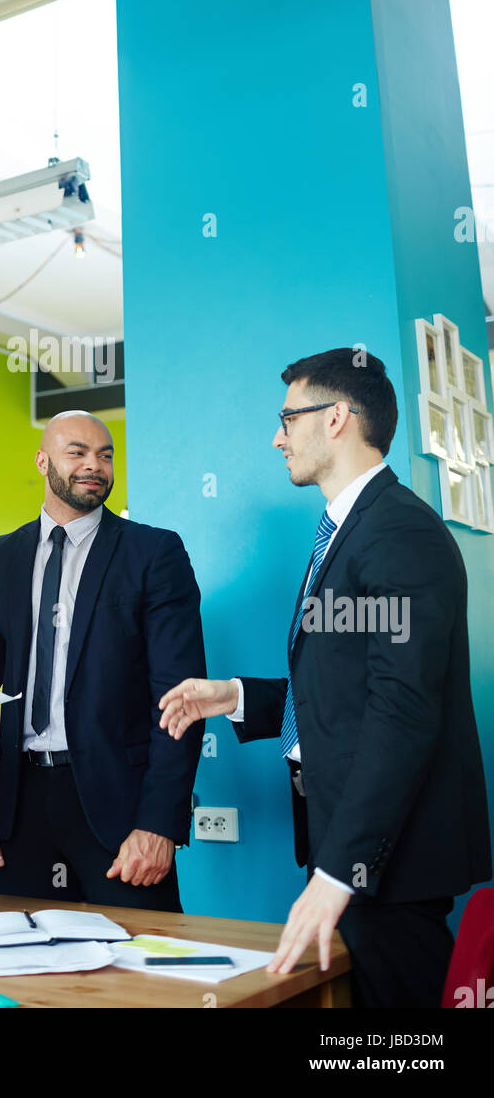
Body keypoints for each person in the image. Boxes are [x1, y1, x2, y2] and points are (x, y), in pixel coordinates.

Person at [159, 348, 491, 1008]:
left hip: (387, 865)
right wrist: (236, 697)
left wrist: (341, 872)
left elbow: (402, 712)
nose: (277, 436)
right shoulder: (348, 532)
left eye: (288, 417)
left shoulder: (397, 534)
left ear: (337, 417)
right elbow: (347, 695)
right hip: (357, 856)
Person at [0, 410, 206, 910]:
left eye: (105, 455)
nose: (95, 466)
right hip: (19, 811)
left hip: (121, 813)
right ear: (42, 461)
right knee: (24, 970)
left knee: (140, 976)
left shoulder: (153, 552)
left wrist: (159, 821)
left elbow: (181, 700)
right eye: (78, 453)